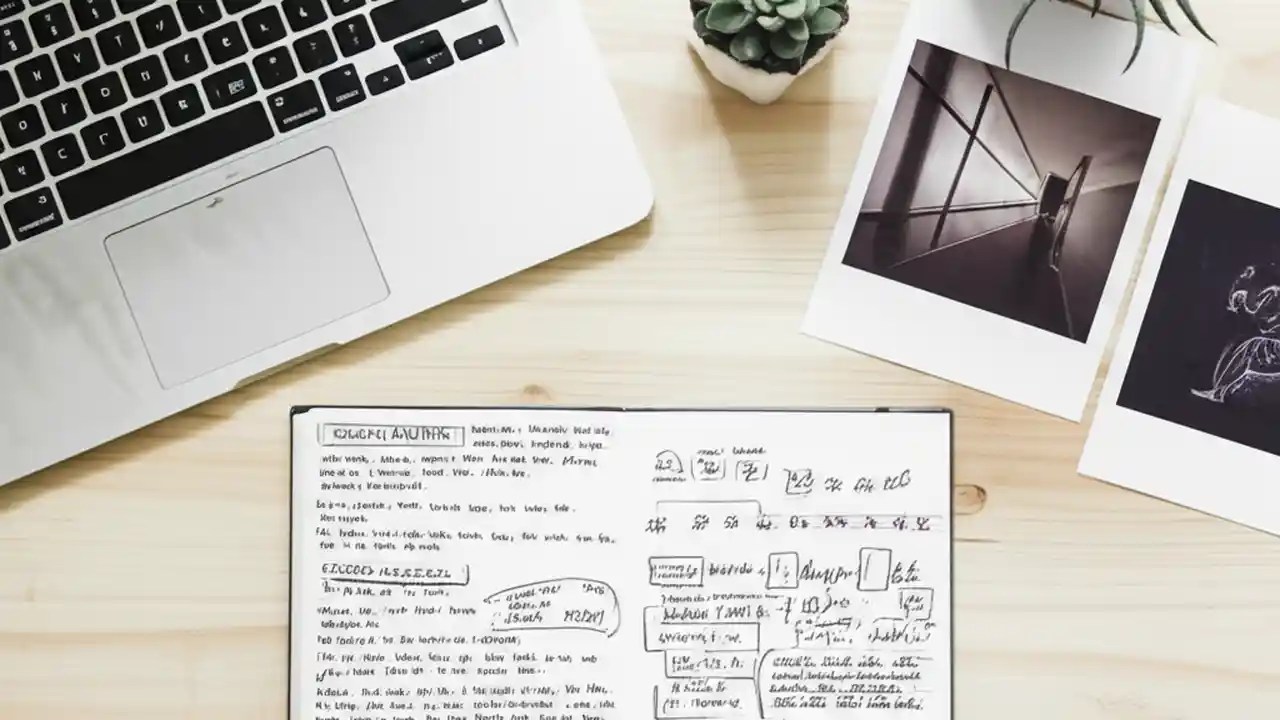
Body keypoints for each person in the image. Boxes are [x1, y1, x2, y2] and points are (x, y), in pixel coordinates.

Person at [1191, 264, 1280, 403]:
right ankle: (1220, 391)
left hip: (1274, 346)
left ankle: (1219, 393)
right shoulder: (1264, 294)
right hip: (1269, 341)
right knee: (1247, 348)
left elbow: (1264, 322)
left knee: (1250, 349)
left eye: (1247, 273)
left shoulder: (1271, 293)